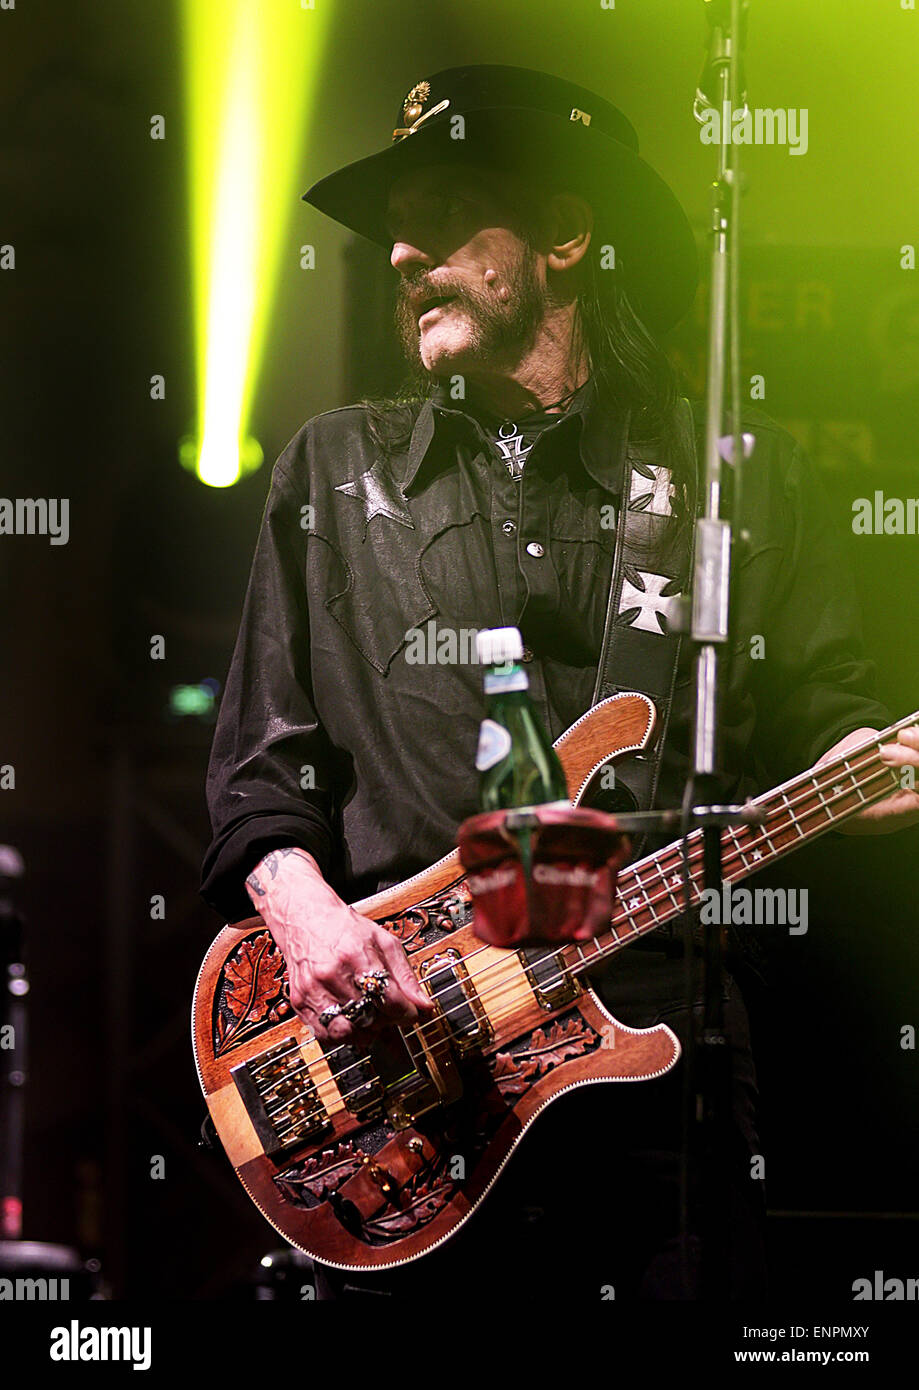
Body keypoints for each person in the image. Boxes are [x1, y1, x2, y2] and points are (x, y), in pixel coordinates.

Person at [200, 65, 919, 1299]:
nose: (401, 254)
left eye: (441, 213)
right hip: (400, 1077)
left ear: (566, 238)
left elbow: (828, 718)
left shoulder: (734, 482)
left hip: (656, 1092)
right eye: (391, 235)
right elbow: (262, 772)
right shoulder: (333, 473)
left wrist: (875, 774)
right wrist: (306, 911)